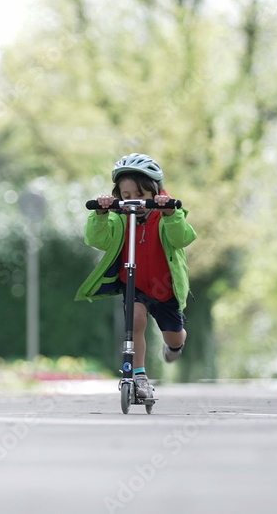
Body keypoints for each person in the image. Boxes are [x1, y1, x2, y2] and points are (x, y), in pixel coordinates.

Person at [75, 153, 197, 398]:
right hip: (135, 283)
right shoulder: (119, 218)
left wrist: (171, 214)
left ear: (155, 192)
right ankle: (138, 376)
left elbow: (183, 238)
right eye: (126, 196)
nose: (134, 202)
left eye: (141, 196)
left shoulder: (167, 214)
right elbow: (97, 239)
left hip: (164, 287)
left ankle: (176, 344)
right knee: (135, 321)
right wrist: (101, 213)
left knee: (173, 336)